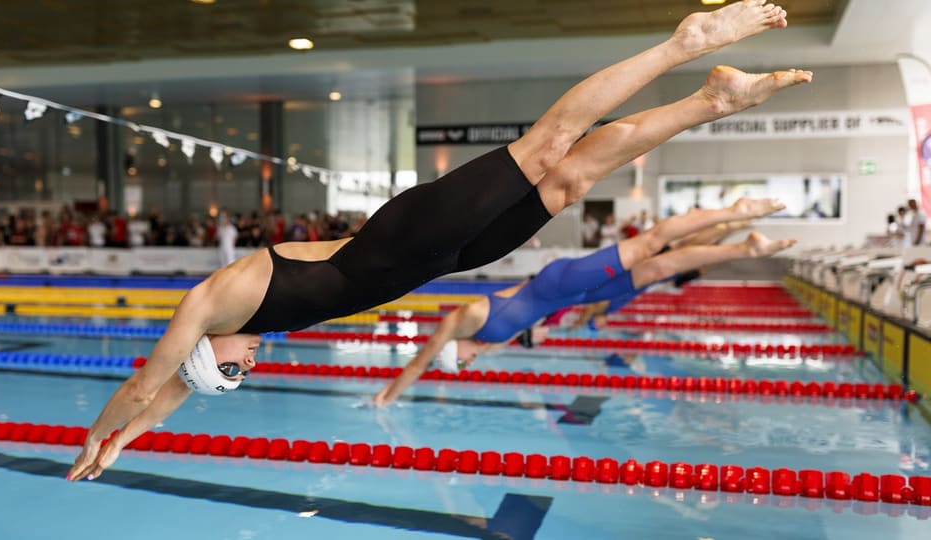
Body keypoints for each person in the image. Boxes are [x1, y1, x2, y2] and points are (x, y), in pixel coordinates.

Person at [68, 0, 805, 482]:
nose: (249, 367)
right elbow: (165, 400)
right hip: (440, 260)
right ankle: (711, 100)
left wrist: (94, 441)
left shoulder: (211, 305)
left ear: (206, 353)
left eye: (233, 373)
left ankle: (685, 41)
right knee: (570, 181)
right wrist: (129, 443)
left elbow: (142, 387)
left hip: (402, 241)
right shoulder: (239, 330)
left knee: (548, 146)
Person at [372, 200, 796, 405]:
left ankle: (732, 211)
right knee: (659, 269)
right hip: (575, 295)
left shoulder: (464, 320)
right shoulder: (490, 342)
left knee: (650, 243)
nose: (470, 363)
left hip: (560, 280)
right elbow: (534, 324)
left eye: (461, 362)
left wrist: (386, 397)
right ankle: (745, 249)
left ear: (455, 349)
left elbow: (419, 361)